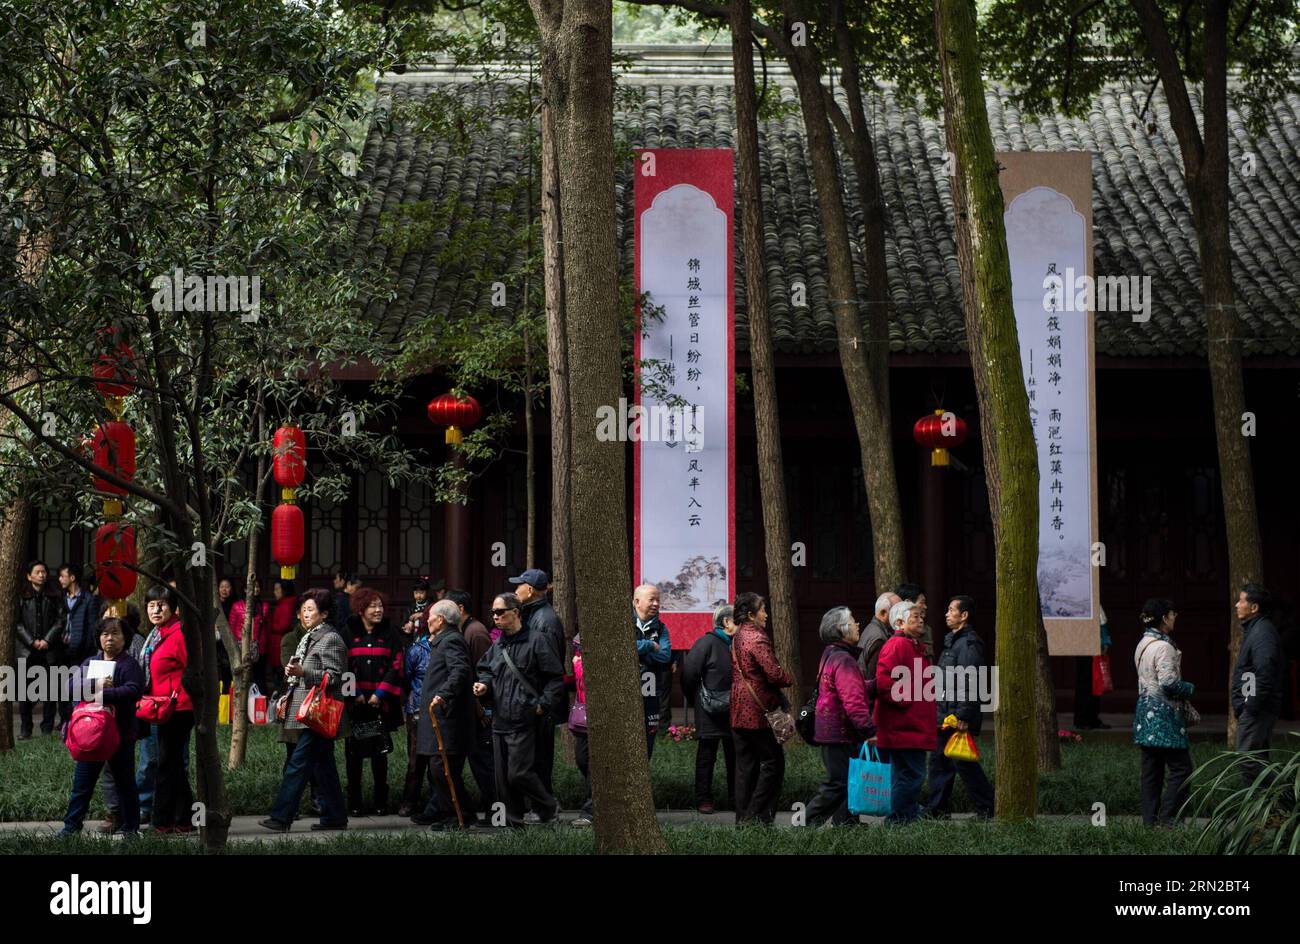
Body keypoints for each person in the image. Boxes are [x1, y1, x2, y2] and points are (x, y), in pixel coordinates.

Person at [261, 588, 350, 832]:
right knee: (324, 766)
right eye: (303, 609)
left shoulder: (330, 638)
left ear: (324, 614)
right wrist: (294, 674)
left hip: (317, 713)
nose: (305, 613)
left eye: (311, 609)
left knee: (298, 764)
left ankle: (281, 817)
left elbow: (334, 677)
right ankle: (335, 817)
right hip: (308, 712)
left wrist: (304, 673)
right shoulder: (309, 637)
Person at [473, 592, 564, 828]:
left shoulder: (537, 641)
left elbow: (555, 679)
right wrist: (484, 685)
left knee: (518, 773)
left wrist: (543, 705)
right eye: (493, 612)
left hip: (525, 719)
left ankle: (548, 805)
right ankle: (514, 826)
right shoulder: (499, 644)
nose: (495, 616)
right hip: (500, 720)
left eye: (500, 612)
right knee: (503, 780)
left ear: (515, 612)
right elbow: (486, 669)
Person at [59, 617, 144, 836]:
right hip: (90, 735)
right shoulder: (89, 663)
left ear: (125, 638)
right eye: (105, 634)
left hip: (120, 735)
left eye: (115, 634)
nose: (109, 638)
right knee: (82, 784)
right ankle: (71, 827)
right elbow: (70, 687)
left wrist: (102, 694)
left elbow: (134, 690)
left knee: (125, 784)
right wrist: (95, 685)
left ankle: (131, 829)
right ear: (98, 638)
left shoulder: (129, 665)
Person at [805, 606, 876, 827]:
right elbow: (853, 702)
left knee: (847, 779)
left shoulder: (831, 654)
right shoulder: (844, 659)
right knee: (838, 783)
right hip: (840, 732)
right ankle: (804, 824)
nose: (857, 625)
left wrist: (878, 684)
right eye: (853, 621)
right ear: (842, 629)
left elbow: (849, 687)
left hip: (831, 730)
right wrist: (869, 731)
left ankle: (847, 822)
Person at [925, 596, 994, 819]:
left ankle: (988, 807)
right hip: (945, 714)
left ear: (964, 616)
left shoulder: (969, 644)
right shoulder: (953, 641)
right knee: (940, 762)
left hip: (957, 716)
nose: (946, 613)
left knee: (962, 764)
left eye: (951, 610)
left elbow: (971, 680)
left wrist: (963, 714)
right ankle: (938, 810)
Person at [730, 592, 793, 826]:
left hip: (737, 709)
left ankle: (742, 820)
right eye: (762, 609)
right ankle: (756, 818)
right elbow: (775, 674)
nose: (766, 614)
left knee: (745, 768)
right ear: (750, 614)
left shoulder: (737, 636)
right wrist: (789, 678)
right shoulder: (757, 637)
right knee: (773, 764)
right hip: (757, 712)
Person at [416, 599, 477, 829]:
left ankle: (461, 815)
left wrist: (443, 694)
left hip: (447, 717)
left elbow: (460, 671)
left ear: (440, 620)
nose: (427, 620)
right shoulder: (443, 640)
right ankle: (450, 813)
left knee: (443, 769)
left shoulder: (451, 640)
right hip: (441, 718)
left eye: (430, 616)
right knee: (439, 769)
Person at [1133, 598, 1195, 826]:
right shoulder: (1164, 647)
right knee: (1182, 769)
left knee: (1151, 772)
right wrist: (1189, 688)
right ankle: (1168, 819)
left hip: (1144, 713)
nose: (1175, 617)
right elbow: (1169, 683)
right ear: (1164, 618)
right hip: (1164, 716)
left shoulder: (1143, 643)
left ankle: (1150, 822)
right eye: (1172, 614)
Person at [873, 599, 936, 824]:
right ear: (899, 622)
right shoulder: (898, 645)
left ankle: (907, 819)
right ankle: (898, 821)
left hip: (909, 725)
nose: (921, 620)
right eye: (915, 617)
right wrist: (907, 701)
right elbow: (884, 682)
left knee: (906, 775)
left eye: (921, 616)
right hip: (904, 726)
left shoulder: (911, 645)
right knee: (912, 776)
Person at [344, 588, 404, 815]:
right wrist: (354, 693)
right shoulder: (348, 631)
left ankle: (381, 802)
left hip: (381, 704)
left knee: (380, 752)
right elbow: (342, 666)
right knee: (354, 754)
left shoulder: (390, 632)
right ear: (361, 610)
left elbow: (397, 664)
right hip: (356, 705)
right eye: (373, 606)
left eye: (380, 606)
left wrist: (380, 694)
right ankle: (355, 803)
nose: (379, 610)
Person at [141, 584, 195, 833]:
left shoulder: (180, 633)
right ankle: (185, 819)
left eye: (161, 604)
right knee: (172, 764)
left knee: (166, 764)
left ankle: (162, 822)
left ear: (173, 608)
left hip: (179, 708)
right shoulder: (157, 633)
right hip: (161, 708)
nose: (156, 609)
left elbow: (193, 672)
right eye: (151, 605)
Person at [508, 569, 566, 798]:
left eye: (518, 585)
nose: (515, 590)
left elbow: (551, 669)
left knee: (539, 760)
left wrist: (544, 703)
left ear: (530, 590)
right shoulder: (533, 615)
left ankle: (544, 809)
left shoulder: (545, 620)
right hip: (531, 701)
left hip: (539, 703)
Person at [682, 605, 736, 813]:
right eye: (737, 620)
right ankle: (703, 799)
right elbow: (688, 676)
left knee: (736, 757)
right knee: (706, 757)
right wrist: (697, 701)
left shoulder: (737, 645)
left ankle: (735, 799)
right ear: (726, 623)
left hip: (734, 711)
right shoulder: (706, 643)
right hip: (709, 712)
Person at [1232, 583, 1286, 788]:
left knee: (1247, 760)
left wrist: (1250, 706)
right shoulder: (1256, 629)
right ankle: (1264, 815)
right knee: (1256, 760)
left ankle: (1289, 797)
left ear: (1254, 608)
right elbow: (1251, 673)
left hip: (1257, 709)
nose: (1237, 605)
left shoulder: (1262, 632)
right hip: (1253, 708)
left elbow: (1264, 671)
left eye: (1242, 600)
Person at [446, 588, 495, 813]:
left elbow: (484, 671)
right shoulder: (462, 630)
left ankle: (497, 808)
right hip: (470, 708)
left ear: (460, 608)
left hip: (481, 710)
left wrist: (483, 710)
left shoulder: (475, 632)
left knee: (484, 762)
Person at [15, 559, 65, 737]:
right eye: (38, 572)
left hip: (49, 649)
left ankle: (46, 728)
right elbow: (17, 623)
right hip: (26, 650)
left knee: (50, 691)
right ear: (29, 576)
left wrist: (47, 640)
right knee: (24, 691)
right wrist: (31, 641)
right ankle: (25, 728)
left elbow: (61, 620)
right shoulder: (21, 595)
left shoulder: (54, 595)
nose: (42, 575)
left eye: (44, 572)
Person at [399, 603, 433, 817]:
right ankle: (409, 801)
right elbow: (405, 679)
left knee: (438, 761)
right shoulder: (416, 651)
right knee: (416, 760)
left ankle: (436, 802)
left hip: (441, 710)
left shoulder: (451, 645)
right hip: (418, 709)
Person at [634, 583, 673, 758]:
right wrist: (649, 645)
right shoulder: (623, 624)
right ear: (637, 602)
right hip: (626, 693)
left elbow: (665, 656)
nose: (656, 603)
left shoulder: (662, 628)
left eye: (658, 600)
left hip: (650, 694)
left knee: (648, 743)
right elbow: (622, 649)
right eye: (652, 599)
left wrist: (638, 653)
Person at [57, 563, 99, 725]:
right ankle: (63, 719)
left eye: (63, 576)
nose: (60, 579)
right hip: (63, 649)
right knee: (62, 685)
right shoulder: (61, 598)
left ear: (72, 578)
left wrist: (87, 648)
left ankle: (77, 718)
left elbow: (92, 626)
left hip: (81, 652)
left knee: (78, 686)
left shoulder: (88, 599)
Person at [568, 634, 593, 826]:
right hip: (584, 714)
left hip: (598, 714)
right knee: (582, 759)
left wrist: (577, 664)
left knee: (594, 763)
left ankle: (590, 810)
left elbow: (586, 679)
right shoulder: (580, 643)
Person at [229, 577, 270, 693]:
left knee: (259, 678)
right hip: (241, 647)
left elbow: (267, 629)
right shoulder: (237, 606)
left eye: (258, 587)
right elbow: (232, 628)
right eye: (253, 587)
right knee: (242, 677)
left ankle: (260, 705)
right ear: (245, 589)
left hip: (260, 648)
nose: (255, 589)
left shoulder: (265, 607)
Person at [1075, 606, 1113, 729]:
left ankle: (1093, 718)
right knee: (1085, 683)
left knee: (1096, 682)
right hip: (1083, 645)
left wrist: (1105, 642)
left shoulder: (1095, 602)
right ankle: (1082, 719)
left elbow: (1102, 625)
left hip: (1096, 647)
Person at [858, 591, 900, 689]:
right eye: (897, 612)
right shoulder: (879, 638)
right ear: (883, 612)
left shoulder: (872, 628)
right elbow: (873, 680)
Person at [269, 579, 297, 697]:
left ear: (284, 591)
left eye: (277, 589)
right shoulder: (285, 603)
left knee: (281, 676)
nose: (274, 592)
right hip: (278, 643)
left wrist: (271, 624)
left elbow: (282, 626)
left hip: (280, 643)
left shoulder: (286, 605)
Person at [895, 582, 934, 658]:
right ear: (908, 603)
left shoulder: (926, 630)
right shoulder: (891, 631)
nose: (925, 607)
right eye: (922, 603)